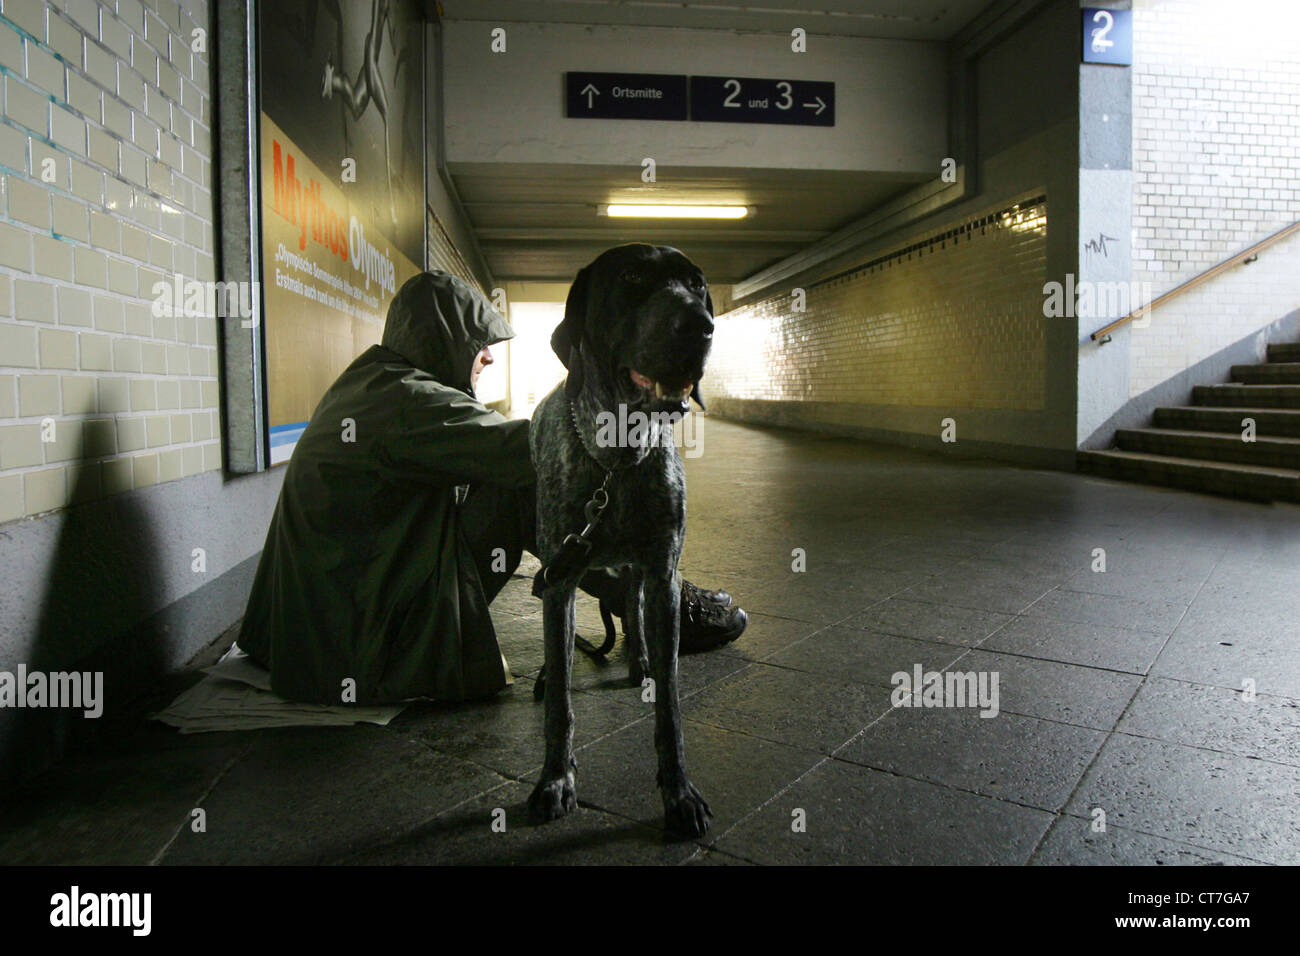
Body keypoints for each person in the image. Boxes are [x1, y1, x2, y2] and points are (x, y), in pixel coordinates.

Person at [237, 271, 747, 705]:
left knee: (522, 481)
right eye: (477, 345)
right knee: (526, 486)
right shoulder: (407, 399)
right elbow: (530, 450)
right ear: (441, 340)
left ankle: (642, 595)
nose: (485, 359)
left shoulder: (375, 383)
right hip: (363, 640)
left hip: (332, 624)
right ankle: (663, 604)